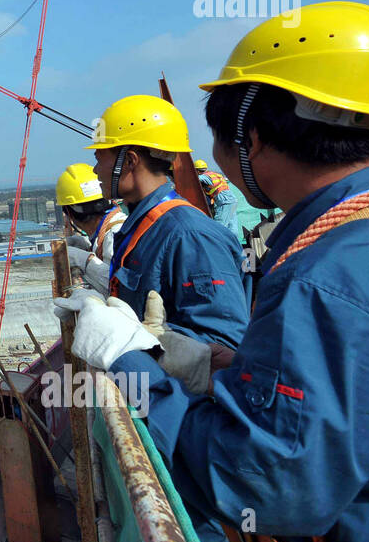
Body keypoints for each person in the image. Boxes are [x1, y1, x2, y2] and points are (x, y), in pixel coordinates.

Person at [56, 1, 369, 542]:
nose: (97, 172)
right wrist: (205, 364)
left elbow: (259, 484)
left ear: (252, 137)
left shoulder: (326, 280)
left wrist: (129, 361)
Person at [81, 94, 249, 351]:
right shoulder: (143, 228)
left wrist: (136, 337)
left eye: (99, 157)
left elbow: (224, 346)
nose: (95, 170)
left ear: (129, 161)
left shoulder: (191, 237)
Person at [55, 162, 126, 295]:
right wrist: (87, 247)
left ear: (69, 213)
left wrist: (86, 261)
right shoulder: (108, 233)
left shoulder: (115, 234)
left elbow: (120, 290)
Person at [193, 159, 242, 238]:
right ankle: (234, 245)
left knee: (218, 227)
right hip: (232, 201)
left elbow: (195, 179)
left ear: (197, 171)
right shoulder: (215, 174)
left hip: (224, 203)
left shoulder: (205, 177)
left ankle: (217, 246)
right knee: (232, 227)